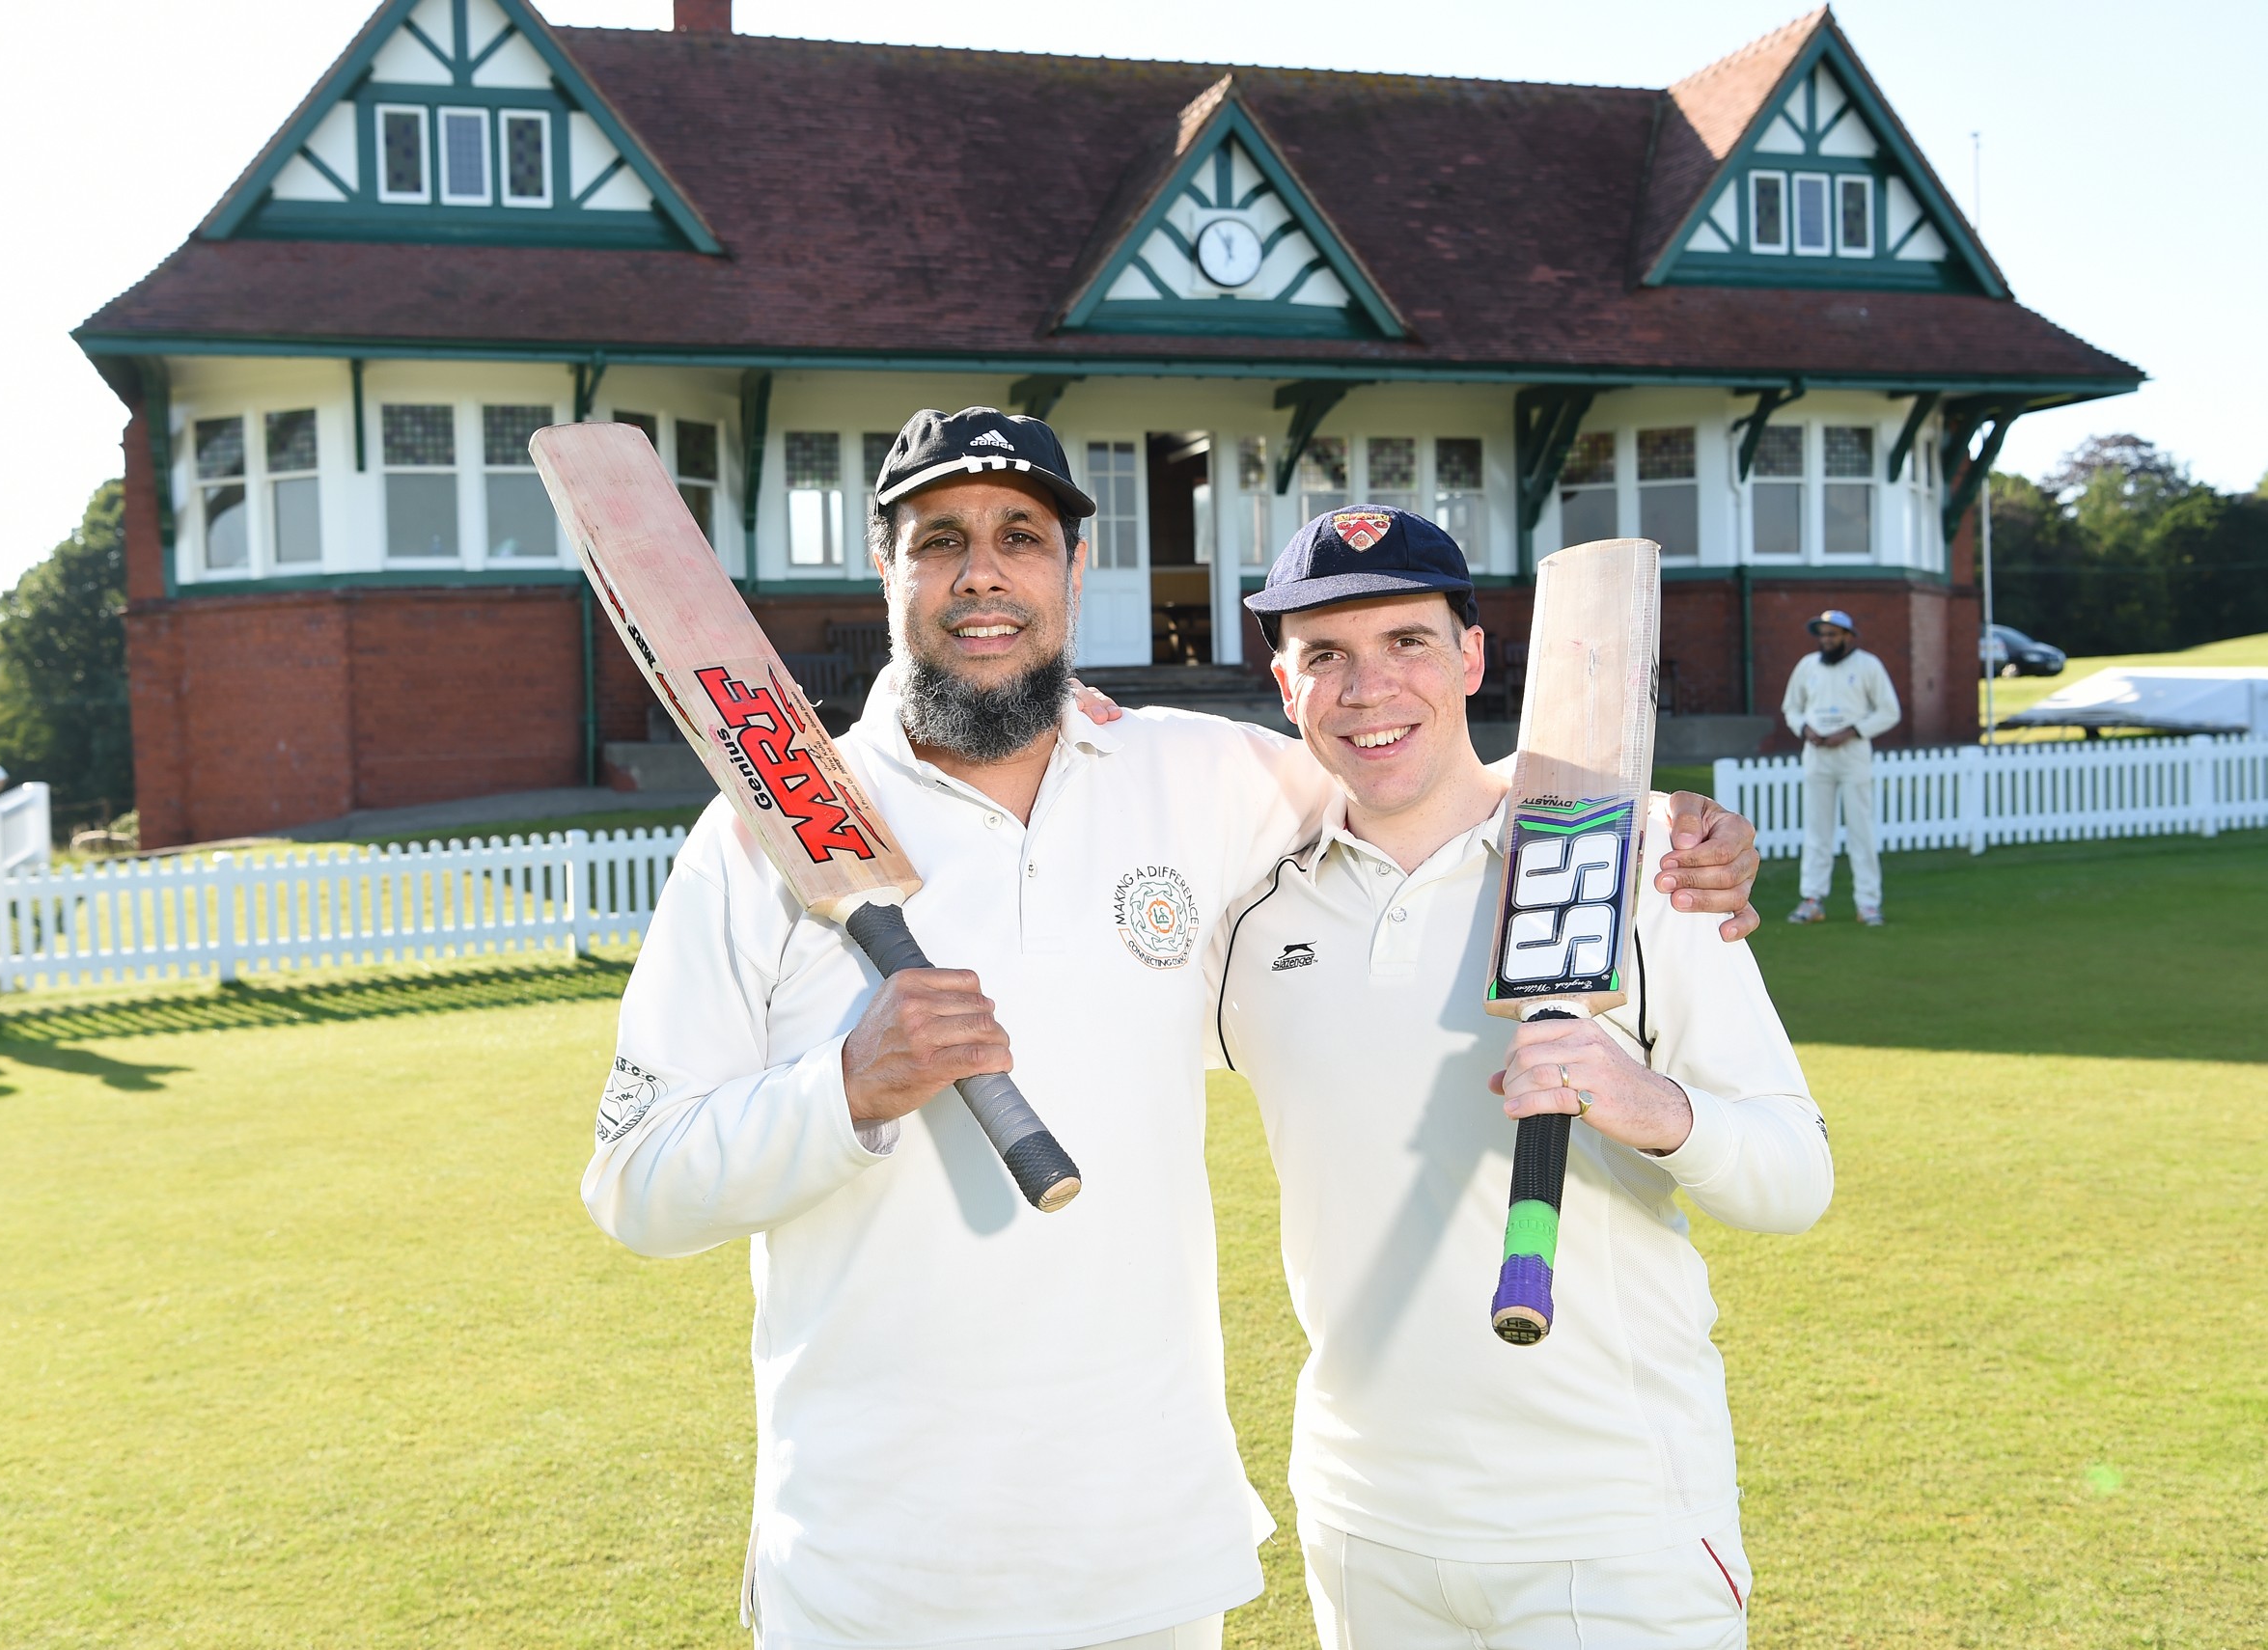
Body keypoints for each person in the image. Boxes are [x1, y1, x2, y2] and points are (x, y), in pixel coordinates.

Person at [580, 409, 1763, 1650]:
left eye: (1020, 536)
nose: (983, 571)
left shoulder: (1199, 776)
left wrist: (1656, 824)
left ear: (1071, 571)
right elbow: (635, 1183)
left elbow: (1413, 771)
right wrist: (843, 1094)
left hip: (1146, 1560)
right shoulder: (755, 841)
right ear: (890, 571)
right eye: (941, 540)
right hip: (875, 1566)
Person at [1211, 508, 1834, 1649]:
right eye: (1326, 657)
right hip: (1366, 1519)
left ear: (1473, 658)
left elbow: (1795, 1178)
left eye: (1406, 642)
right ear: (1284, 685)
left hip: (1611, 1527)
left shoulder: (1644, 864)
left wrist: (1648, 1107)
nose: (1368, 689)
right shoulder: (1249, 912)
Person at [1780, 609, 1901, 926]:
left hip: (1853, 755)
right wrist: (1804, 728)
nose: (1827, 640)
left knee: (1861, 829)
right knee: (1817, 829)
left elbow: (1889, 712)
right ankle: (1812, 899)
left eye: (1833, 634)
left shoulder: (1867, 665)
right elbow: (1791, 707)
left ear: (1848, 636)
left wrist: (1851, 732)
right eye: (1823, 634)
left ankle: (1868, 903)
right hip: (1817, 755)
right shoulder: (1807, 666)